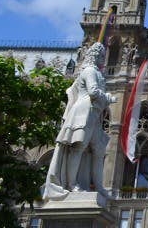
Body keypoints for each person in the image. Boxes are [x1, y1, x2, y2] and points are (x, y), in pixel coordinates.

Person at [45, 43, 116, 198]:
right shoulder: (89, 71)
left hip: (95, 115)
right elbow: (93, 91)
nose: (103, 60)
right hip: (84, 112)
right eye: (102, 56)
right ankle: (72, 185)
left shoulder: (97, 72)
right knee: (79, 147)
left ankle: (99, 187)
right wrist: (109, 97)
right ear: (95, 56)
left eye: (104, 56)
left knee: (98, 151)